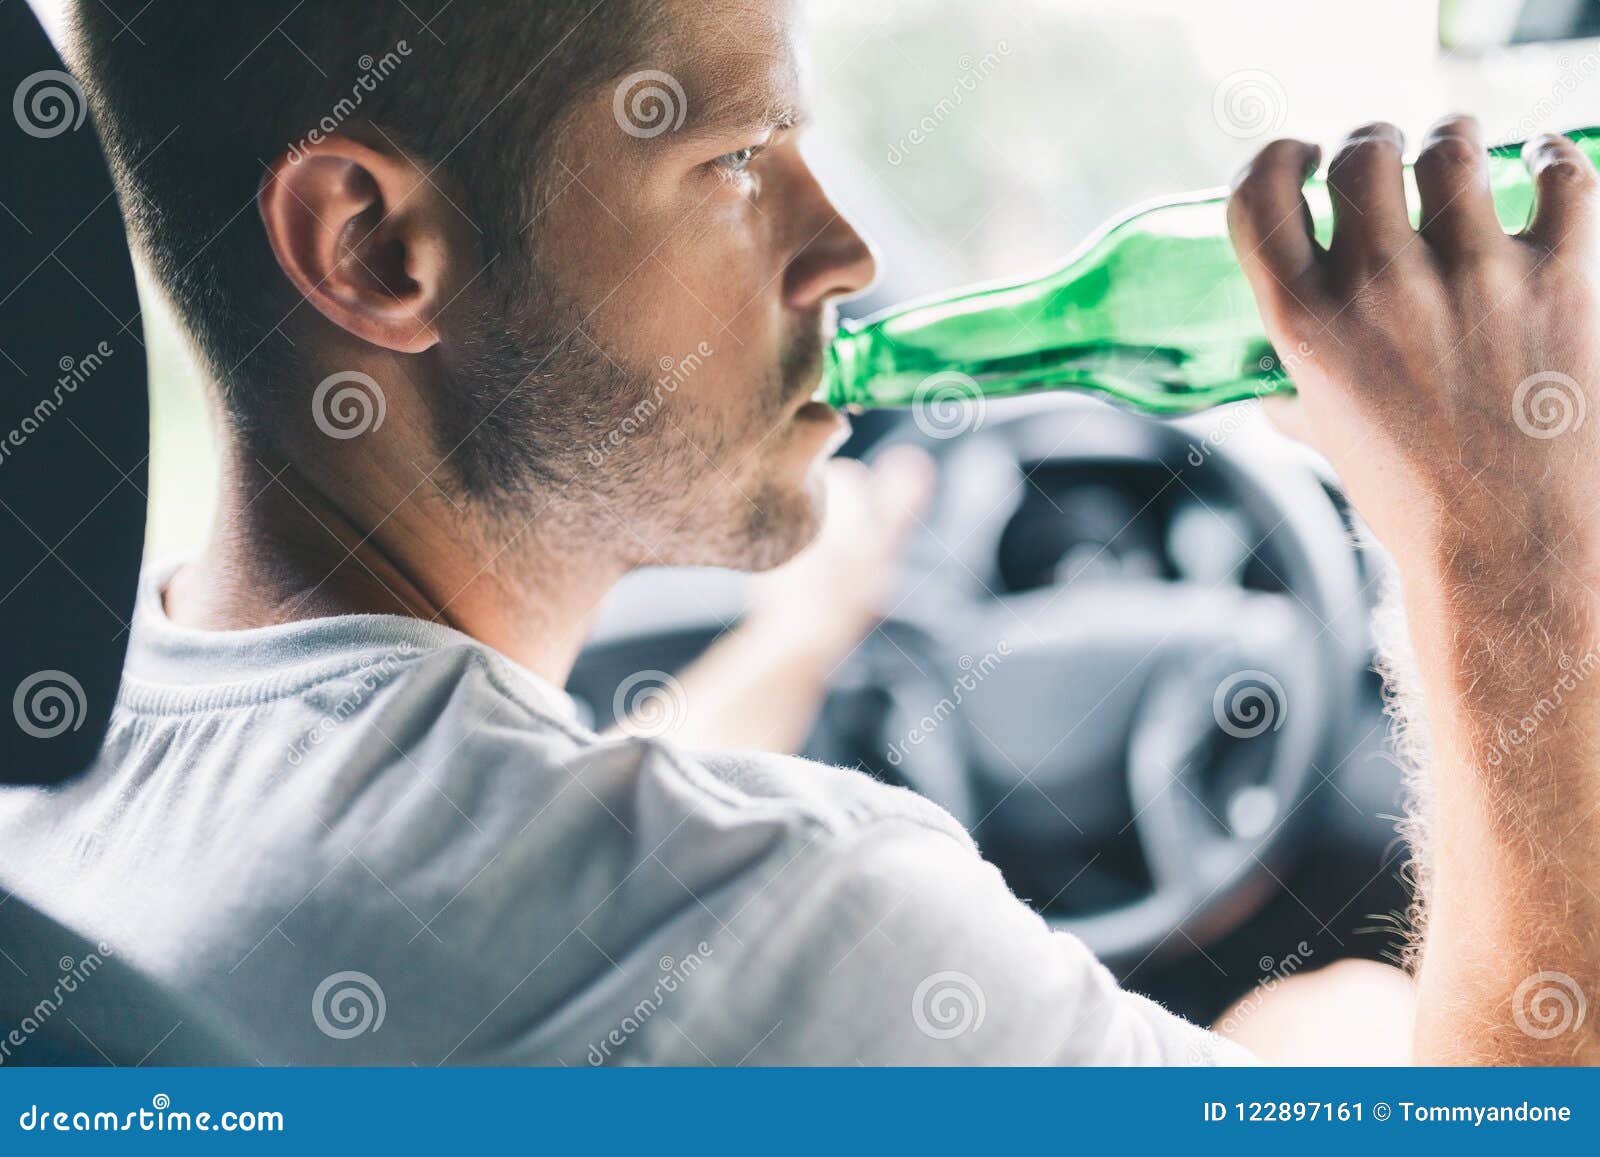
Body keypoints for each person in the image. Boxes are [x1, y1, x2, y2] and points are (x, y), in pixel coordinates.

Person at [0, 0, 1589, 1065]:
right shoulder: (787, 918)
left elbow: (512, 842)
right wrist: (1505, 547)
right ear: (376, 247)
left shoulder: (81, 791)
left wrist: (809, 627)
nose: (842, 249)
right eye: (736, 161)